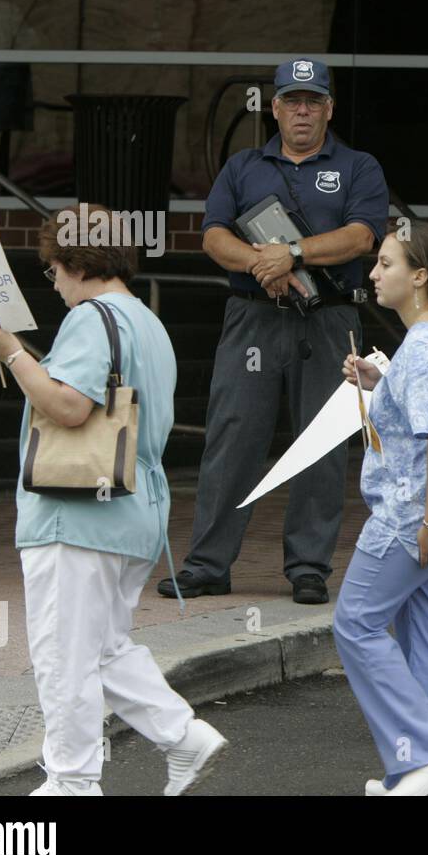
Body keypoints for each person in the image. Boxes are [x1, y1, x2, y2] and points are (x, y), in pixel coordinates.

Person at [0, 211, 226, 797]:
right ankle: (181, 736)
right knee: (105, 647)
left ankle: (72, 782)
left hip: (77, 511)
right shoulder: (148, 323)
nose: (54, 283)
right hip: (134, 507)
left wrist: (13, 353)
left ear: (76, 263)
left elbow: (68, 407)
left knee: (63, 653)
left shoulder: (91, 319)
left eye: (53, 269)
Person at [160, 57, 389, 605]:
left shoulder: (359, 166)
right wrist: (264, 266)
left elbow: (362, 237)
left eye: (313, 101)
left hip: (330, 318)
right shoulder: (243, 165)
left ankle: (309, 567)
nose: (302, 111)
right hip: (253, 317)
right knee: (232, 437)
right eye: (291, 100)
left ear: (329, 108)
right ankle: (208, 564)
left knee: (322, 444)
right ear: (274, 107)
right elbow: (213, 236)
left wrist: (290, 253)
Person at [332, 221, 428, 796]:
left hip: (412, 518)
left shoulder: (422, 345)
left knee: (355, 624)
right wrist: (384, 380)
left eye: (386, 264)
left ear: (420, 276)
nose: (374, 274)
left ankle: (421, 756)